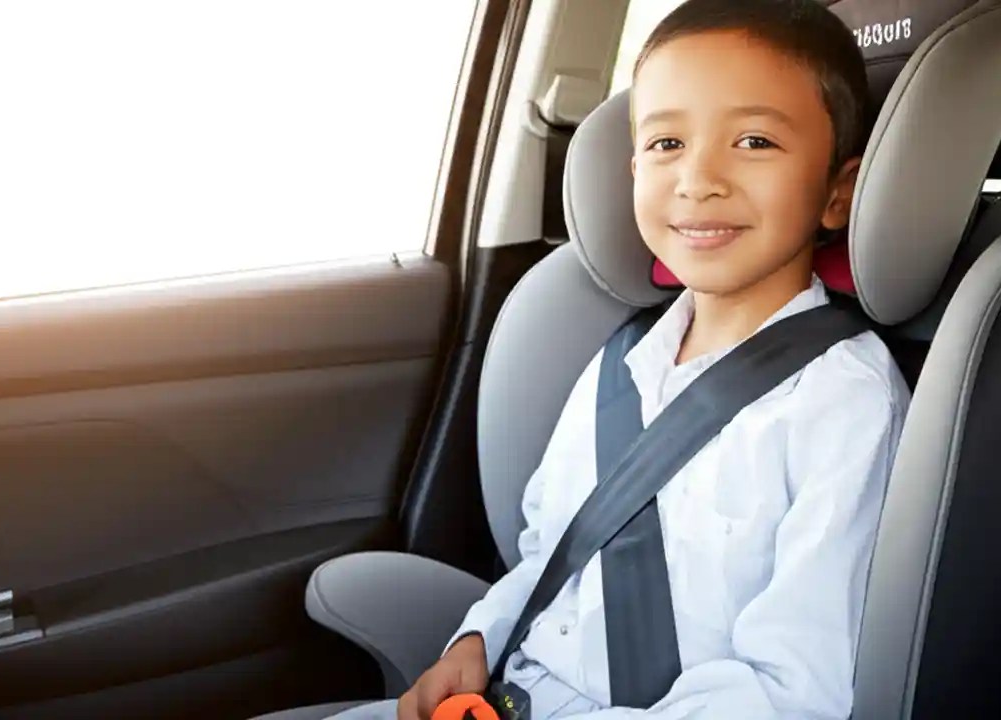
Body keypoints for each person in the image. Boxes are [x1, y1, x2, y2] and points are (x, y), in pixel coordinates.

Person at [337, 1, 912, 718]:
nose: (698, 178)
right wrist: (476, 641)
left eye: (756, 140)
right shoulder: (620, 358)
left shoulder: (844, 402)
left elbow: (794, 691)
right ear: (633, 163)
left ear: (838, 192)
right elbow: (551, 554)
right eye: (667, 143)